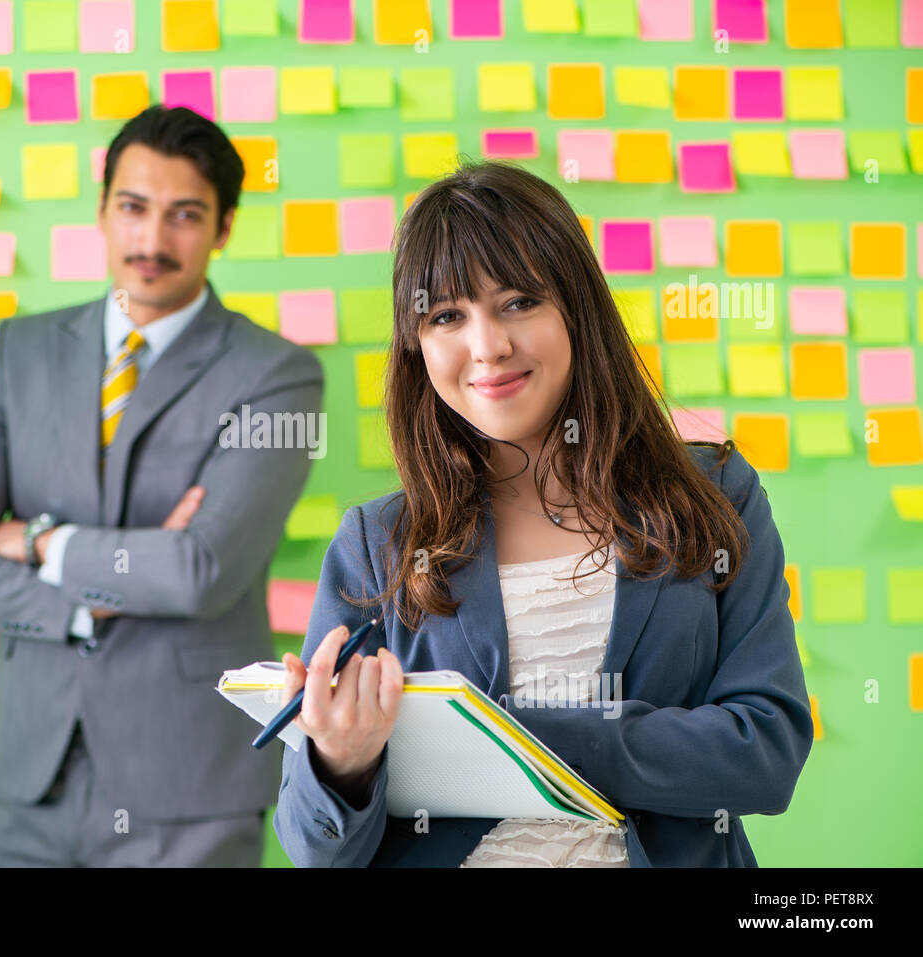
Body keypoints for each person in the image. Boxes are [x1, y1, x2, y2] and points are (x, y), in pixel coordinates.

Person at [273, 159, 814, 867]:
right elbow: (314, 848)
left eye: (519, 302)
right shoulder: (378, 543)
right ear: (418, 344)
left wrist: (511, 739)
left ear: (577, 308)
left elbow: (764, 752)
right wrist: (342, 762)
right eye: (447, 316)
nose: (488, 346)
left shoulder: (714, 494)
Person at [0, 105, 325, 866]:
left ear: (225, 227)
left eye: (185, 215)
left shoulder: (278, 376)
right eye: (133, 208)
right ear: (101, 210)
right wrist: (81, 603)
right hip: (27, 779)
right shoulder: (18, 352)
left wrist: (39, 540)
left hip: (190, 785)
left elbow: (202, 571)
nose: (152, 241)